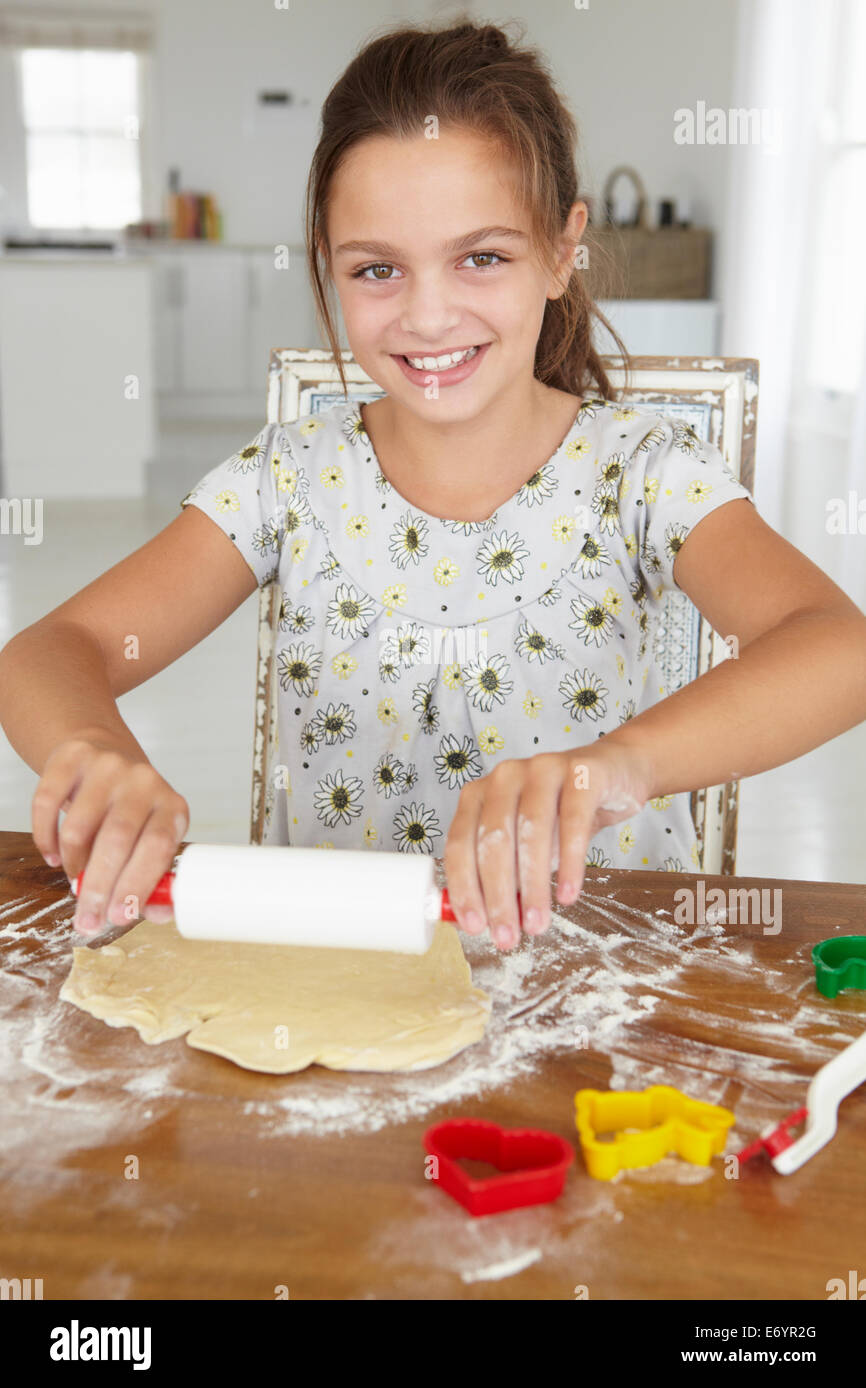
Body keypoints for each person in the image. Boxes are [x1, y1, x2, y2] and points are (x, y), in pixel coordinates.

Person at [1, 19, 865, 954]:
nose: (427, 314)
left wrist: (616, 768)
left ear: (563, 248)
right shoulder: (287, 480)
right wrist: (95, 752)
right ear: (329, 269)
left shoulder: (642, 472)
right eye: (377, 269)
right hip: (340, 978)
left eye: (481, 257)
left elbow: (835, 648)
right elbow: (52, 650)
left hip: (600, 977)